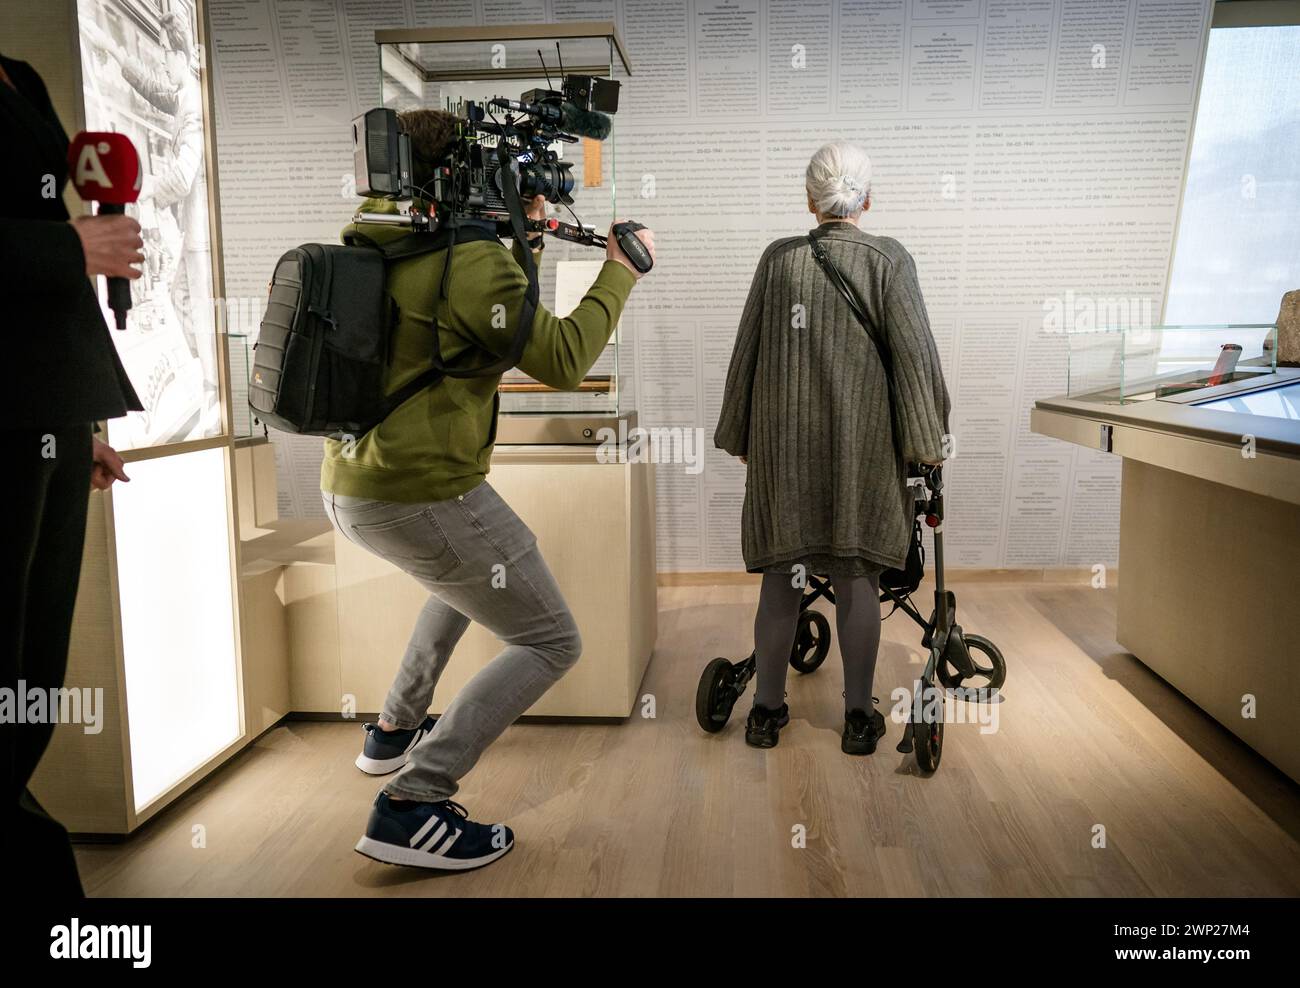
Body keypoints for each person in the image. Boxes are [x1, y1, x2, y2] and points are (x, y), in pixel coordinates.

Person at [321, 109, 654, 871]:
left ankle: (393, 732)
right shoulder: (471, 264)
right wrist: (619, 271)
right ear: (470, 177)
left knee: (477, 576)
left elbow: (467, 314)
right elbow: (565, 358)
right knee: (549, 638)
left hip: (354, 483)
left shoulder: (383, 232)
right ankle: (414, 801)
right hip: (422, 489)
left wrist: (514, 236)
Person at [714, 141, 950, 755]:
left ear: (810, 199)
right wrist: (928, 444)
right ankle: (858, 721)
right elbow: (915, 359)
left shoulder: (779, 260)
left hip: (784, 453)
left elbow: (748, 353)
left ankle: (765, 715)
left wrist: (740, 436)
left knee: (781, 581)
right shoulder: (888, 260)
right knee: (857, 582)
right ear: (866, 199)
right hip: (863, 454)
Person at [0, 52, 143, 897]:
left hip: (45, 410)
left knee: (32, 674)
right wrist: (67, 247)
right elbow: (55, 241)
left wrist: (80, 417)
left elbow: (55, 224)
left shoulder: (22, 76)